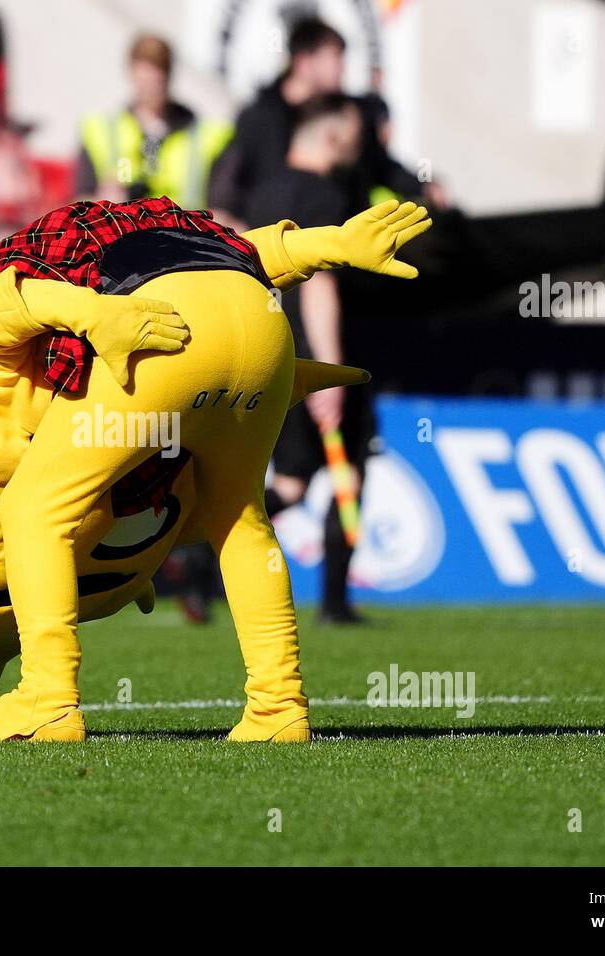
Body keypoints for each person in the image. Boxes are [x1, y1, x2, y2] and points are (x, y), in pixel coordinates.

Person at [246, 93, 377, 625]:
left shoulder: (264, 194)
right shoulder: (325, 197)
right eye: (352, 131)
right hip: (314, 362)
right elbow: (320, 285)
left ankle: (195, 557)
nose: (359, 141)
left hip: (270, 356)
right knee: (351, 473)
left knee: (293, 484)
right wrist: (333, 371)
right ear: (328, 135)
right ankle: (336, 603)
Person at [208, 16, 346, 219]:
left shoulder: (342, 112)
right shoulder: (259, 117)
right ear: (304, 62)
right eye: (335, 57)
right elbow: (225, 185)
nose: (342, 68)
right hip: (267, 240)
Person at [76, 34, 232, 210]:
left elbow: (222, 209)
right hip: (123, 232)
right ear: (131, 74)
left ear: (168, 77)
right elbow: (80, 200)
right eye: (144, 82)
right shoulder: (102, 130)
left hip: (182, 233)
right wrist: (102, 201)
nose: (150, 90)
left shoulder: (206, 137)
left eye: (156, 81)